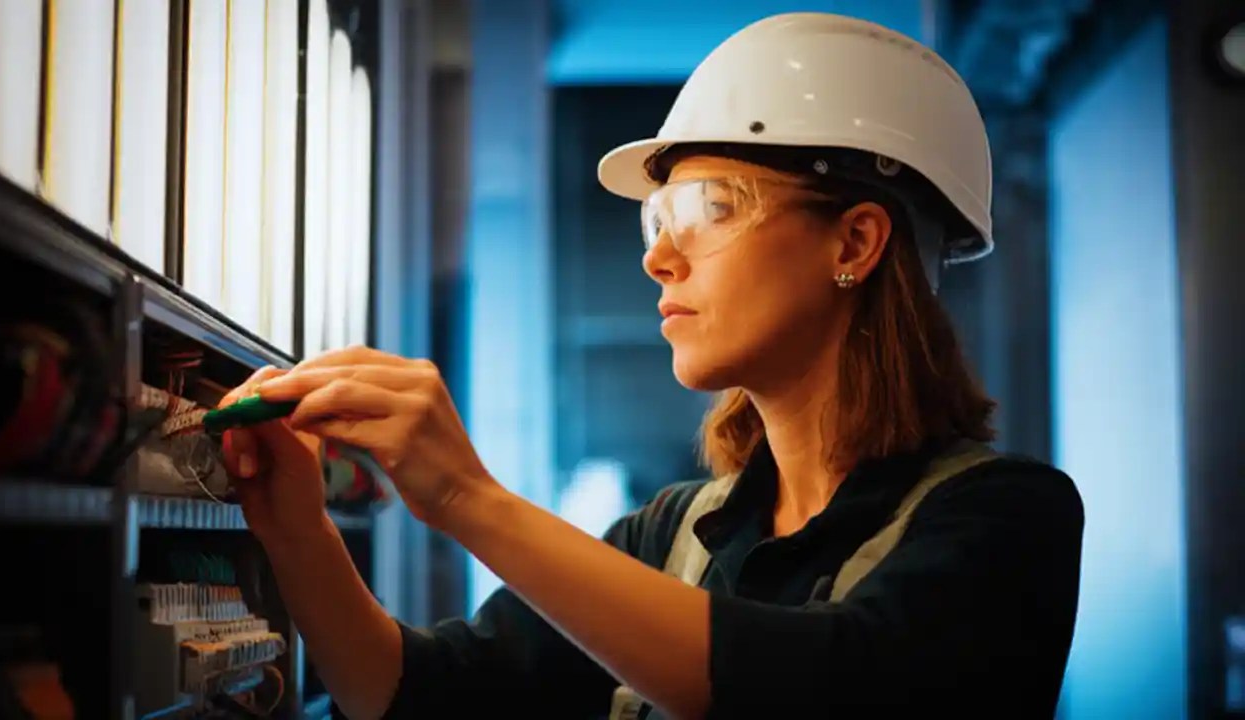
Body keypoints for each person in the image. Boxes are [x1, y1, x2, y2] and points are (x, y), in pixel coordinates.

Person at [219, 12, 1084, 720]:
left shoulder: (1006, 518)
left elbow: (829, 687)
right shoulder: (673, 535)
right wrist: (295, 528)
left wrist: (466, 500)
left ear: (855, 240)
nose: (659, 257)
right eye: (657, 218)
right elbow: (419, 697)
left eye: (709, 208)